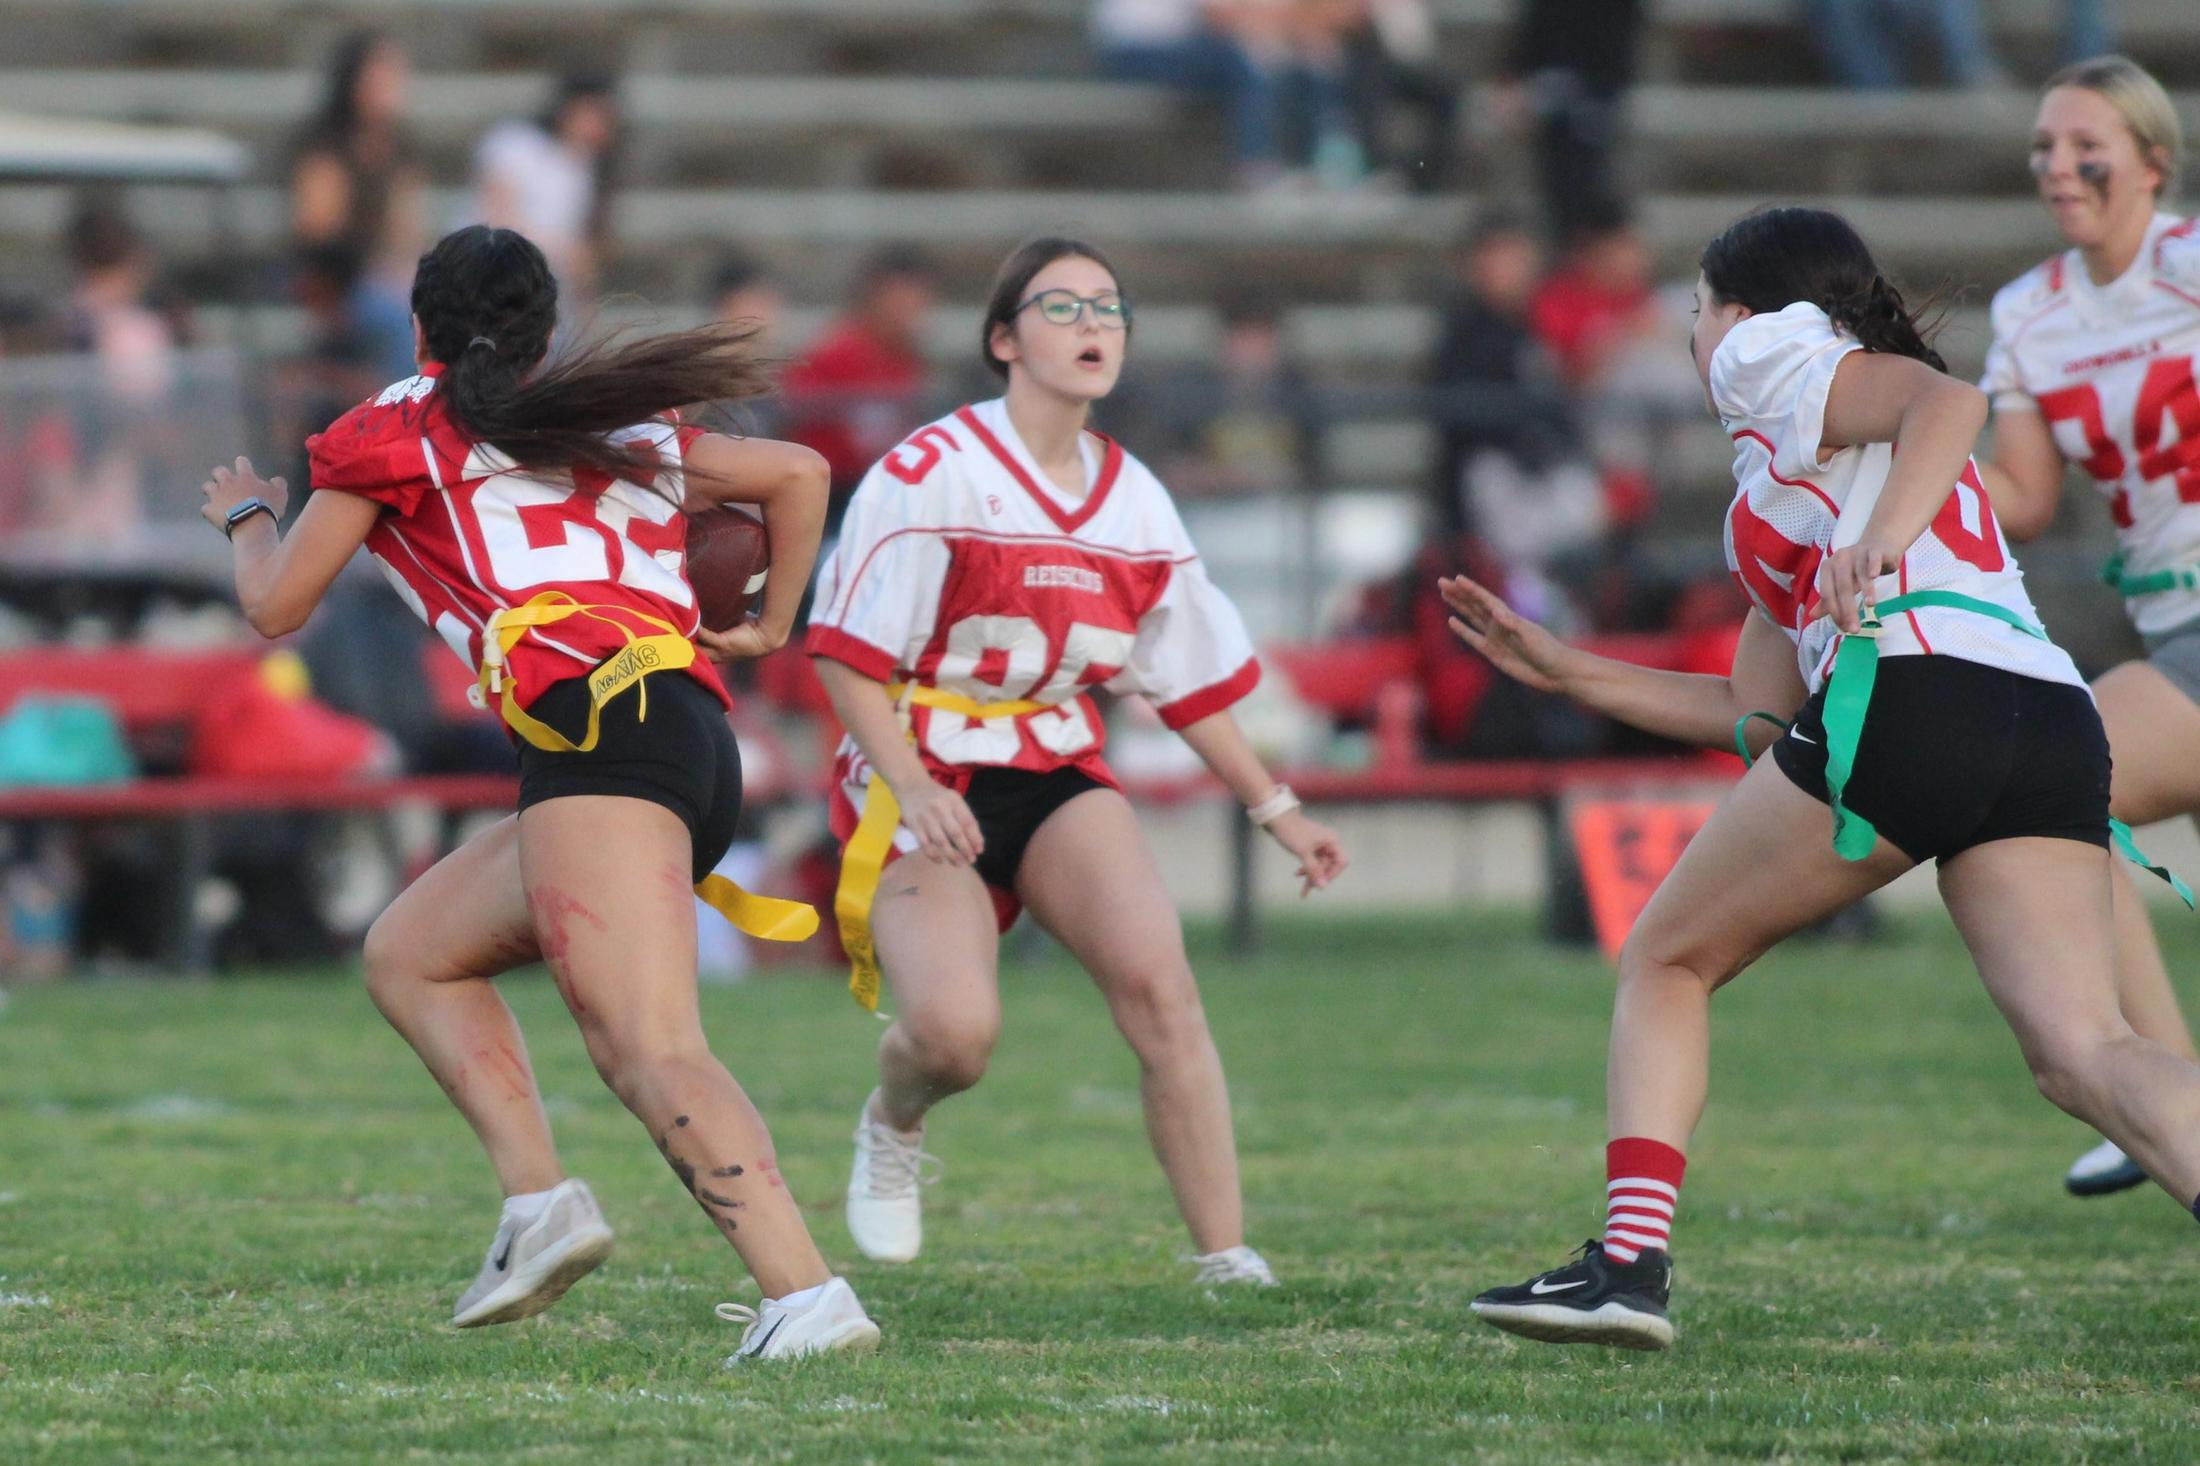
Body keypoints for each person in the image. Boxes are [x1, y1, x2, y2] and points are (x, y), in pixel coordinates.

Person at [1444, 205, 2200, 1350]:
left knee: (1665, 956)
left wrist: (1881, 542)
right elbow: (1760, 722)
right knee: (2083, 1052)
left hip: (1921, 687)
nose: (1694, 334)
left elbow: (1951, 402)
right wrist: (1566, 670)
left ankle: (1627, 1266)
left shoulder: (1768, 349)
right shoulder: (1788, 478)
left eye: (1694, 307)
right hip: (2045, 711)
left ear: (1741, 311)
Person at [193, 224, 877, 1362]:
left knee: (650, 1046)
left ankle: (806, 1294)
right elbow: (800, 474)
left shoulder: (391, 430)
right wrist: (768, 621)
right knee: (410, 951)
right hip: (681, 731)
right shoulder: (603, 414)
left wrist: (248, 517)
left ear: (418, 327)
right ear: (543, 330)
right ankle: (535, 1203)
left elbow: (274, 607)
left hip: (601, 731)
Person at [807, 236, 1347, 1284]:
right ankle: (893, 1118)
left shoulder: (1135, 496)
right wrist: (911, 787)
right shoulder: (933, 469)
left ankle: (1225, 1254)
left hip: (1050, 756)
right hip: (922, 763)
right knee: (957, 1034)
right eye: (1062, 307)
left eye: (1110, 307)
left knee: (1161, 989)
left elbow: (1181, 678)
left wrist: (1277, 806)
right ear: (1002, 339)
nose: (1095, 324)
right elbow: (845, 656)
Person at [1973, 55, 2200, 1200]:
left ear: (2152, 162)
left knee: (2058, 772)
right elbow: (2019, 493)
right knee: (2064, 786)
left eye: (2084, 146)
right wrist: (1899, 481)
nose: (2057, 167)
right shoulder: (2030, 311)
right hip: (2172, 628)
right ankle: (2158, 1089)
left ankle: (2152, 1088)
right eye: (2041, 150)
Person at [289, 30, 426, 381]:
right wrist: (379, 265)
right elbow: (320, 233)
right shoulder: (326, 148)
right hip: (341, 283)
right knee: (400, 323)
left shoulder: (399, 149)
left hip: (389, 275)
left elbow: (408, 228)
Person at [782, 245, 938, 531]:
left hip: (885, 494)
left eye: (917, 303)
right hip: (832, 497)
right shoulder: (836, 352)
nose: (909, 313)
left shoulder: (905, 360)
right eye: (900, 301)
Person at [472, 71, 621, 302]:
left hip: (547, 295)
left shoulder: (587, 170)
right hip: (491, 279)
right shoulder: (516, 143)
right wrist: (566, 252)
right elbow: (496, 219)